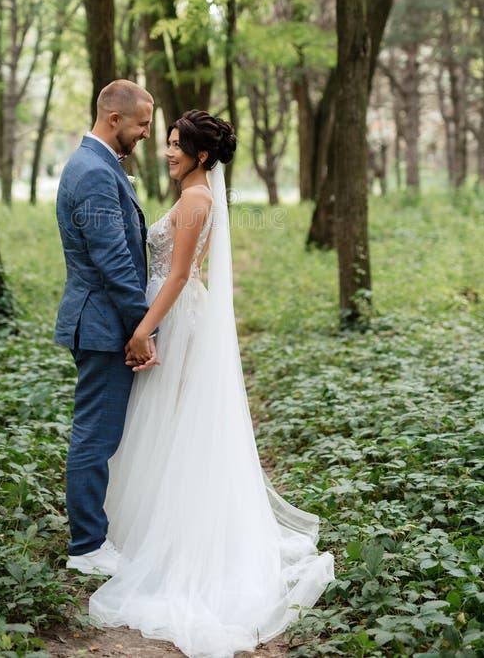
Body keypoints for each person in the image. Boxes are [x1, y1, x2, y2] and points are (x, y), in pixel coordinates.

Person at [88, 109, 336, 658]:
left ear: (202, 155)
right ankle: (152, 527)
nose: (167, 152)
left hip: (175, 319)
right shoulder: (192, 195)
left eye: (177, 145)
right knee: (163, 426)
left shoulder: (197, 200)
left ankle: (180, 538)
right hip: (169, 312)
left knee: (175, 427)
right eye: (167, 142)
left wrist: (144, 330)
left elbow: (178, 275)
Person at [54, 79, 159, 578]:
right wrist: (142, 329)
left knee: (98, 434)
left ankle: (93, 535)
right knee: (94, 438)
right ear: (113, 118)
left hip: (101, 319)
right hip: (101, 323)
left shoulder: (96, 165)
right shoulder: (95, 172)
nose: (147, 134)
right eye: (142, 124)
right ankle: (86, 546)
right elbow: (114, 260)